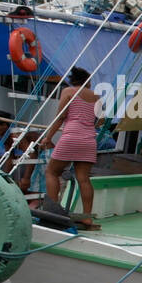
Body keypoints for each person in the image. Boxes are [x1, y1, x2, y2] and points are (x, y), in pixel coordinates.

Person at [44, 66, 101, 226]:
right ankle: (87, 216)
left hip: (71, 137)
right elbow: (101, 120)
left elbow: (61, 117)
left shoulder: (68, 92)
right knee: (83, 179)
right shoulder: (96, 96)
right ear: (86, 80)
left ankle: (52, 212)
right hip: (89, 139)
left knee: (52, 172)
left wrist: (48, 138)